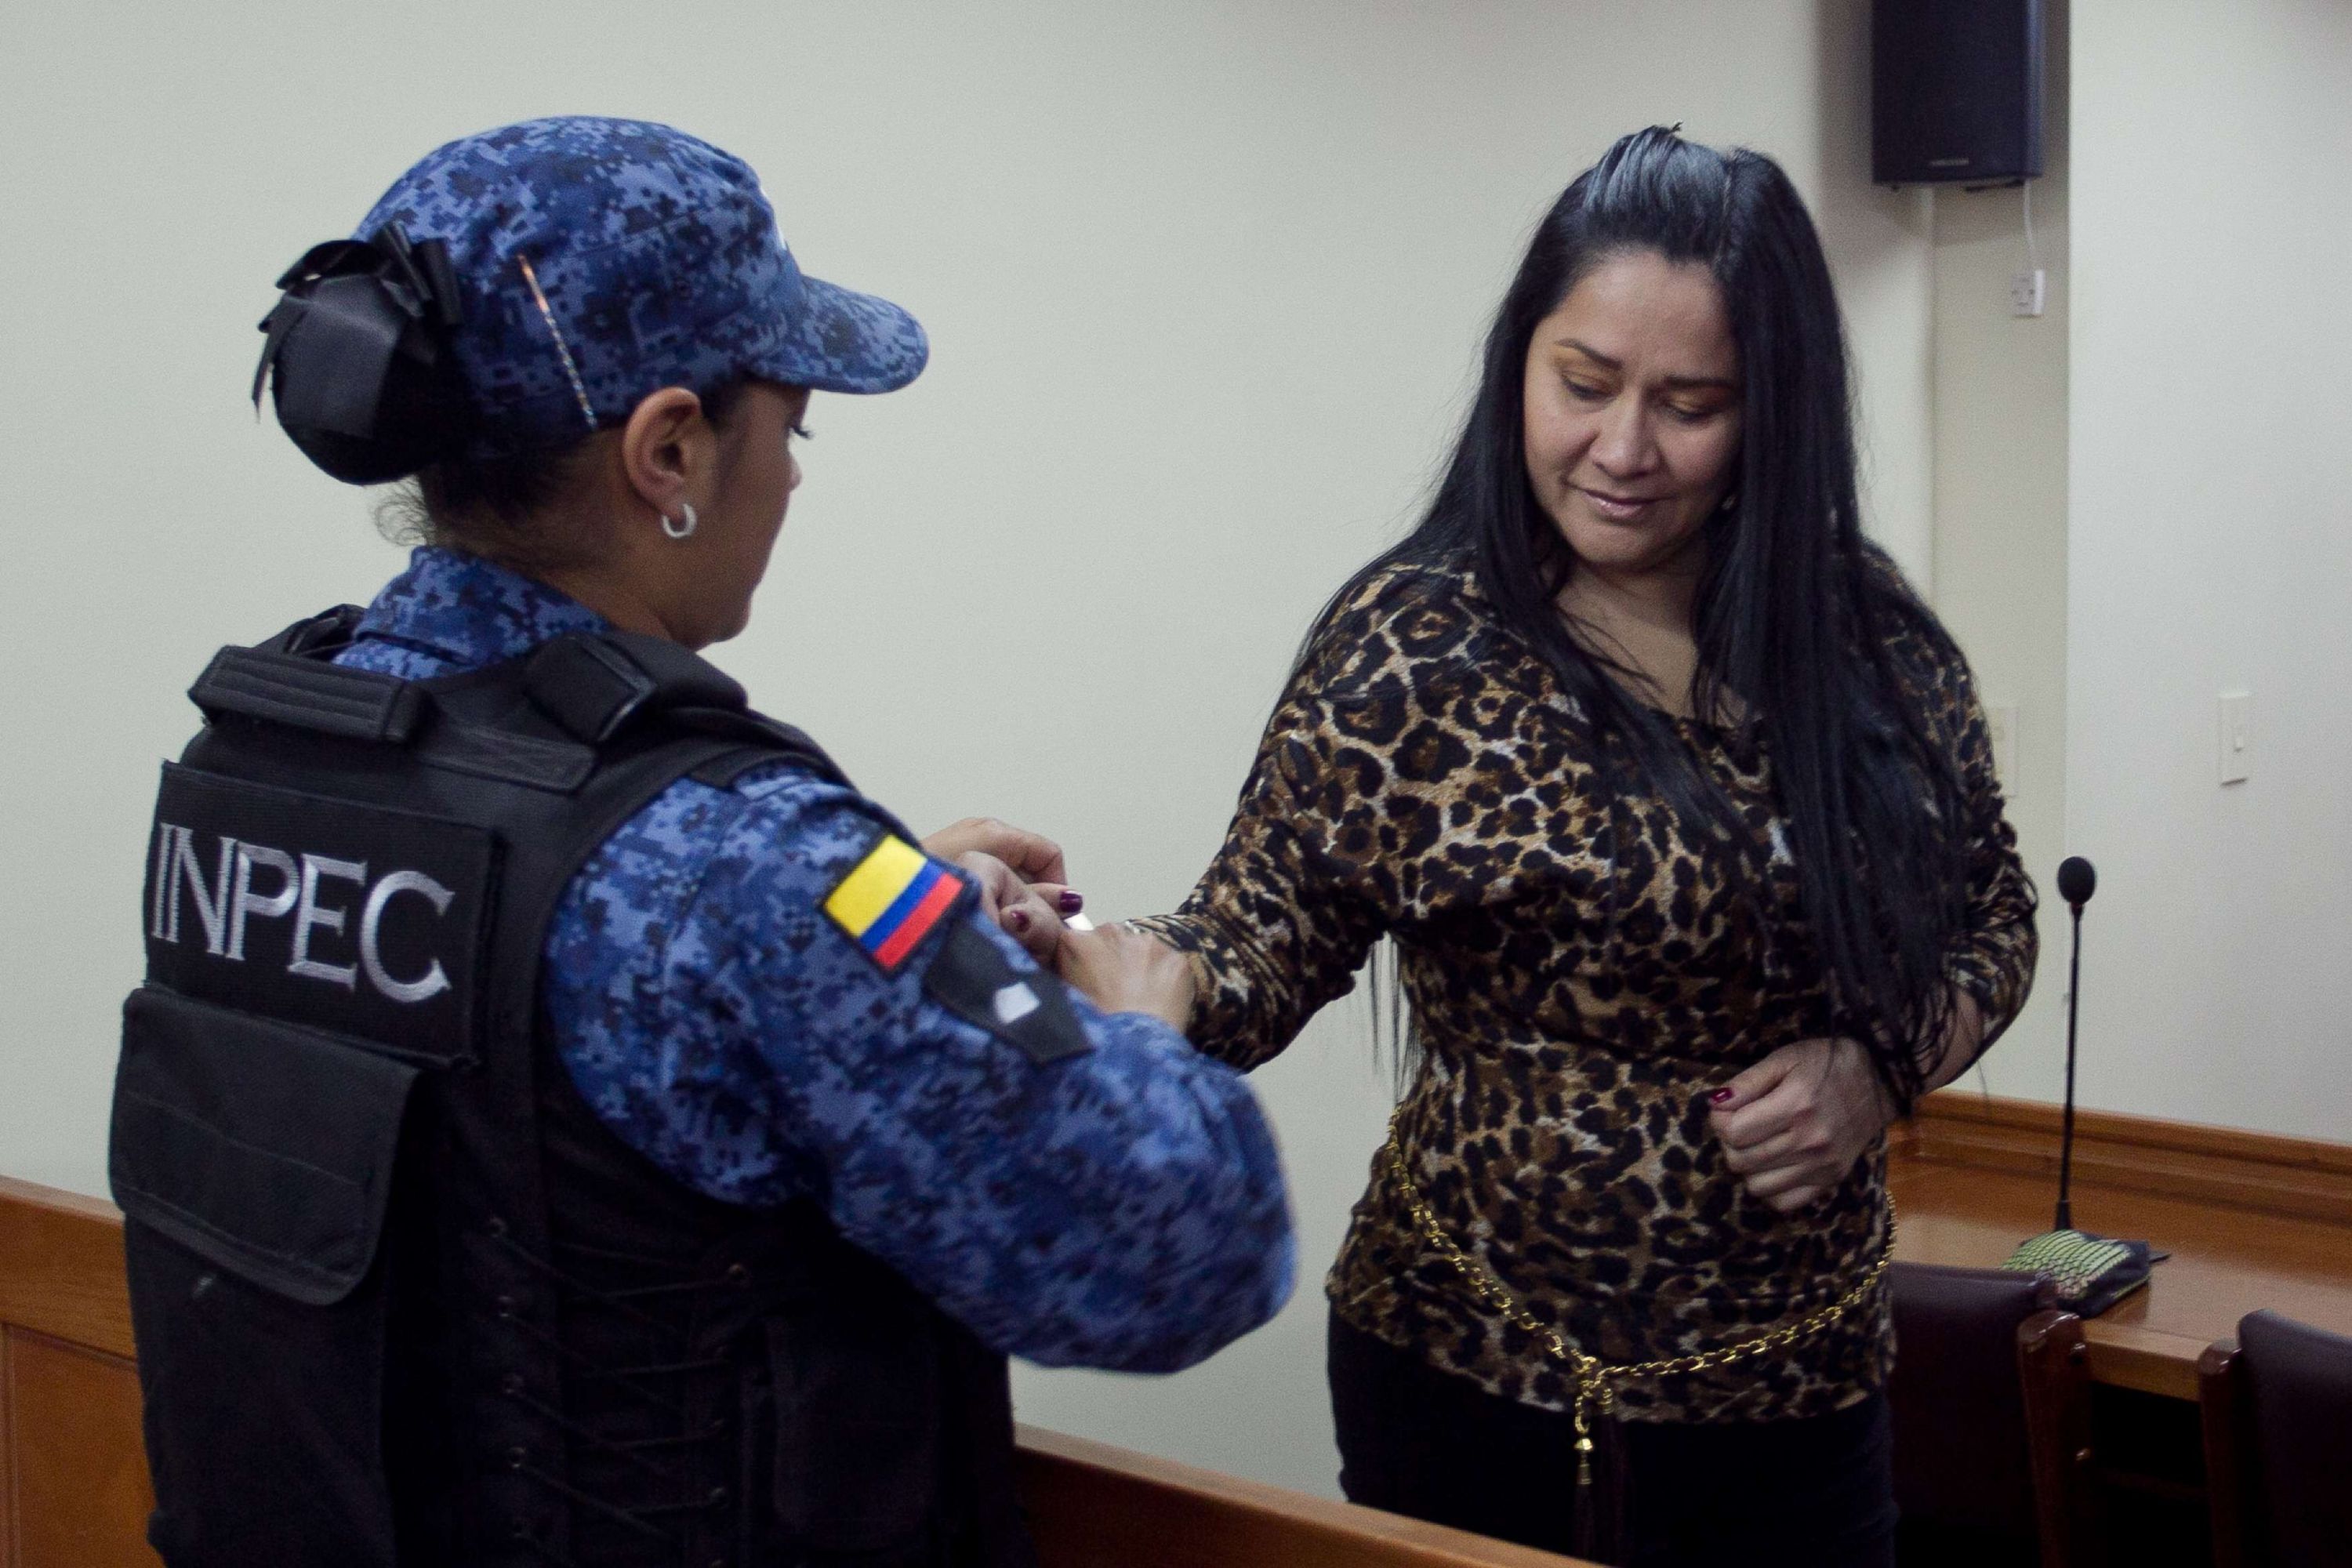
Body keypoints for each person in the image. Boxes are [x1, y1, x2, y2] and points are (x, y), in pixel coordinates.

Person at [112, 116, 1292, 1568]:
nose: (792, 475)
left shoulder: (269, 763)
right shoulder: (752, 868)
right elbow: (1179, 1250)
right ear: (670, 448)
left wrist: (882, 928)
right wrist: (1133, 1024)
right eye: (792, 425)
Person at [1126, 127, 2037, 1568]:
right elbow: (1251, 937)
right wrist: (1123, 978)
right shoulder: (1418, 646)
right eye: (1585, 384)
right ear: (1521, 368)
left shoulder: (1867, 648)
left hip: (1798, 1395)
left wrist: (1881, 1071)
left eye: (1690, 404)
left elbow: (1995, 921)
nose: (1622, 449)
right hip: (1468, 1375)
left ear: (1772, 416)